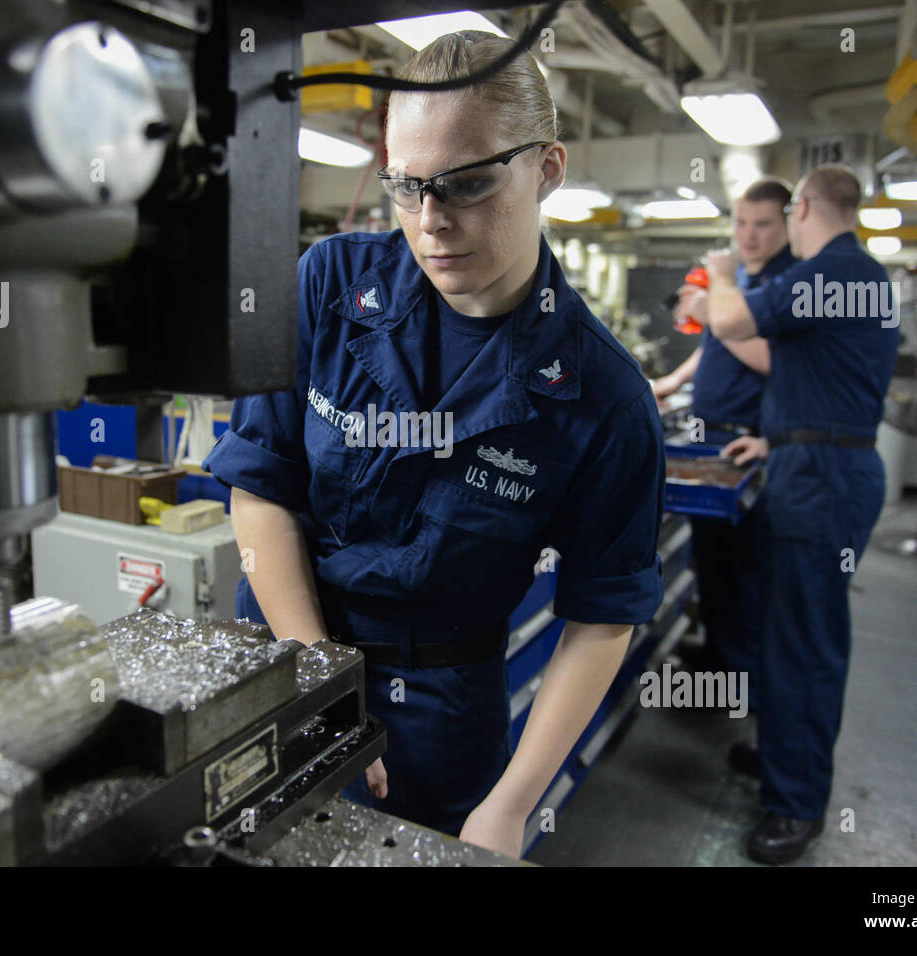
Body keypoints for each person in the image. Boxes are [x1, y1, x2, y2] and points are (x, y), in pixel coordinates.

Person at [203, 31, 664, 857]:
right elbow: (262, 484)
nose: (430, 222)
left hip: (442, 711)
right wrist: (319, 682)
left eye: (466, 185)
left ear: (547, 170)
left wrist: (514, 801)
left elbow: (602, 616)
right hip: (289, 659)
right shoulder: (330, 287)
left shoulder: (604, 396)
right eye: (405, 187)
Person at [703, 164, 900, 863]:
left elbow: (726, 318)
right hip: (813, 459)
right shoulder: (856, 276)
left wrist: (722, 270)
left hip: (825, 479)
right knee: (788, 631)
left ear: (804, 207)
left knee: (806, 644)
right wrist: (778, 435)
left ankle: (797, 805)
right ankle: (785, 758)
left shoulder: (835, 270)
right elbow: (821, 376)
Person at [652, 178, 796, 710]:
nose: (749, 235)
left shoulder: (781, 285)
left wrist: (716, 297)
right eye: (741, 223)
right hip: (708, 436)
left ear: (788, 225)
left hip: (745, 444)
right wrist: (668, 383)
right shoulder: (738, 283)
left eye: (763, 224)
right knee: (710, 563)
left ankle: (745, 685)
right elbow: (715, 344)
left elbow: (769, 360)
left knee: (745, 572)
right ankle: (718, 658)